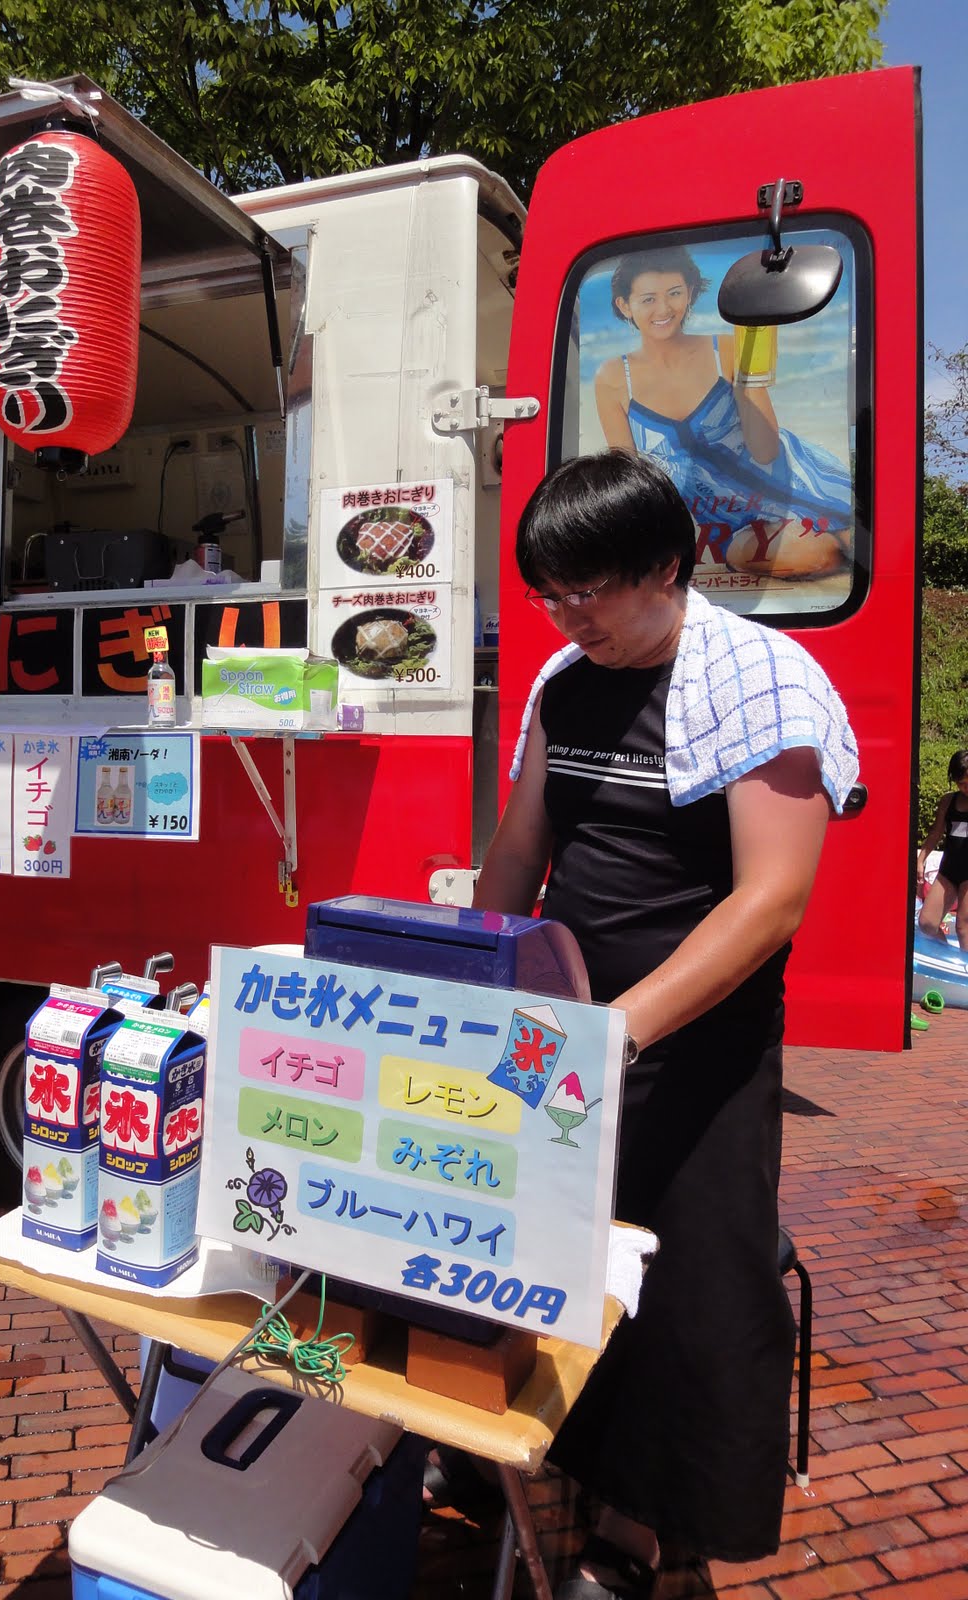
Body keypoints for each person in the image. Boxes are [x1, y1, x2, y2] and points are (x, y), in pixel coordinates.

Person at [473, 451, 858, 1600]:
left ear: (667, 566)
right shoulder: (562, 681)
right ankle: (546, 1452)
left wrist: (619, 1030)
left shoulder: (763, 682)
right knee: (555, 1255)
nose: (567, 613)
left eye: (590, 589)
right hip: (564, 1027)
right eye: (550, 590)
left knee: (686, 1287)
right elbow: (521, 851)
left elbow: (769, 900)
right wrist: (469, 970)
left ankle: (645, 1529)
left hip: (695, 1039)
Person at [593, 246, 853, 578]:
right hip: (725, 517)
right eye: (648, 299)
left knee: (857, 537)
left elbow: (765, 450)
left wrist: (750, 375)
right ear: (624, 305)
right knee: (798, 556)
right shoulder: (613, 379)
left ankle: (840, 536)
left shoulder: (726, 349)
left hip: (797, 480)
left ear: (689, 293)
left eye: (674, 293)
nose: (663, 308)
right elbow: (628, 484)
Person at [917, 750, 968, 949]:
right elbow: (935, 834)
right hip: (949, 870)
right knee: (927, 923)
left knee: (964, 927)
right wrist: (921, 860)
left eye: (967, 782)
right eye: (960, 783)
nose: (964, 788)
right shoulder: (948, 802)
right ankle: (953, 960)